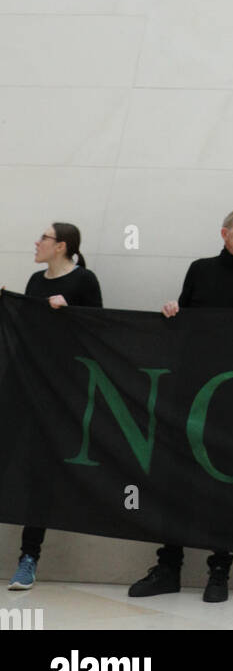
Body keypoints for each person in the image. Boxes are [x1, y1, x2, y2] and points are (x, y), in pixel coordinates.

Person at [127, 208, 233, 605]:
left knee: (226, 478)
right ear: (224, 232)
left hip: (231, 395)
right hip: (190, 388)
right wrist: (173, 311)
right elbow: (184, 321)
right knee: (178, 476)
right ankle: (169, 567)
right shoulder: (200, 269)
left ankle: (219, 571)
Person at [8, 223, 102, 591]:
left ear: (61, 246)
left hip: (59, 390)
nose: (36, 241)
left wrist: (70, 311)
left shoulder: (84, 281)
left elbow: (99, 328)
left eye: (43, 237)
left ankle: (28, 558)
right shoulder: (35, 280)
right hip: (23, 381)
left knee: (40, 471)